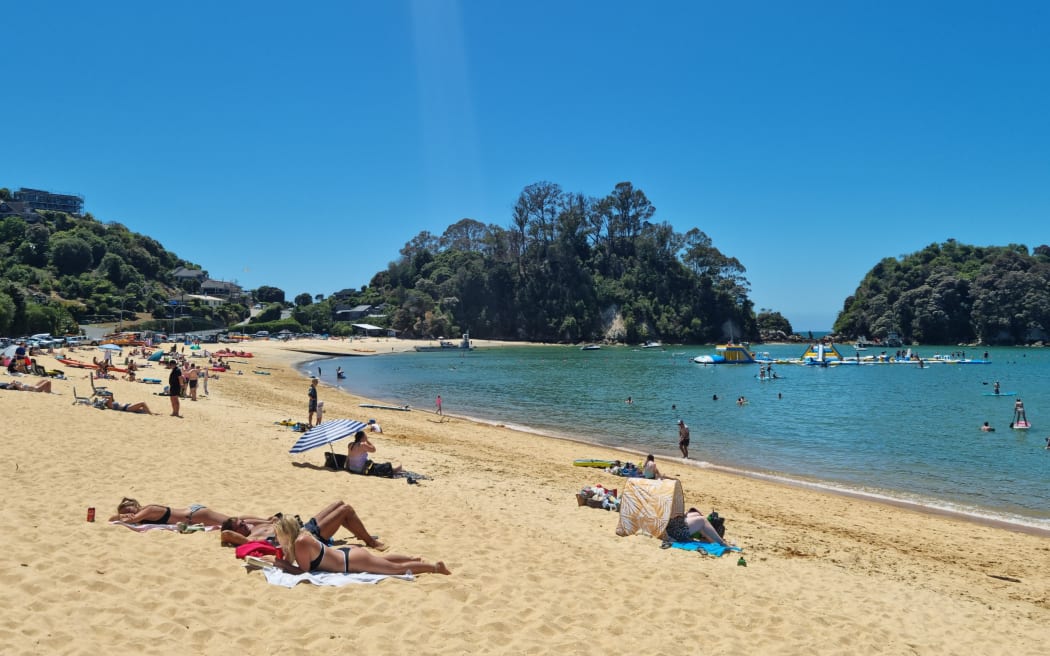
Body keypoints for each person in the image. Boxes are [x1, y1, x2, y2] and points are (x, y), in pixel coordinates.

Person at [266, 515, 450, 576]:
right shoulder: (299, 539)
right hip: (347, 554)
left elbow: (303, 571)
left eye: (278, 535)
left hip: (351, 561)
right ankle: (413, 559)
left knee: (394, 570)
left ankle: (434, 567)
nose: (276, 539)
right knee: (381, 560)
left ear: (286, 533)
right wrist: (281, 558)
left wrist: (281, 564)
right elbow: (290, 561)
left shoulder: (300, 543)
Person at [220, 500, 388, 550]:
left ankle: (360, 533)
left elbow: (243, 517)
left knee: (339, 503)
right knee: (346, 510)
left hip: (305, 527)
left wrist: (241, 521)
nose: (244, 524)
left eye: (242, 523)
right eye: (240, 526)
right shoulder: (251, 539)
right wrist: (233, 531)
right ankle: (371, 542)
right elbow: (225, 534)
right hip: (309, 537)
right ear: (237, 533)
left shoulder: (254, 527)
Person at [109, 497, 237, 526]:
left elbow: (132, 520)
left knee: (232, 522)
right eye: (125, 512)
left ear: (135, 505)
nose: (129, 513)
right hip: (193, 516)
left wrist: (124, 517)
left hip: (194, 515)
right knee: (232, 522)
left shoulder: (149, 509)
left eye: (129, 510)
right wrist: (122, 516)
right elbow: (111, 520)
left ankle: (251, 520)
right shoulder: (144, 517)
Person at [664, 508, 733, 548]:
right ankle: (722, 543)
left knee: (696, 514)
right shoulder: (665, 504)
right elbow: (669, 518)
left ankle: (711, 539)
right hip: (675, 531)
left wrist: (683, 514)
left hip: (674, 524)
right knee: (702, 520)